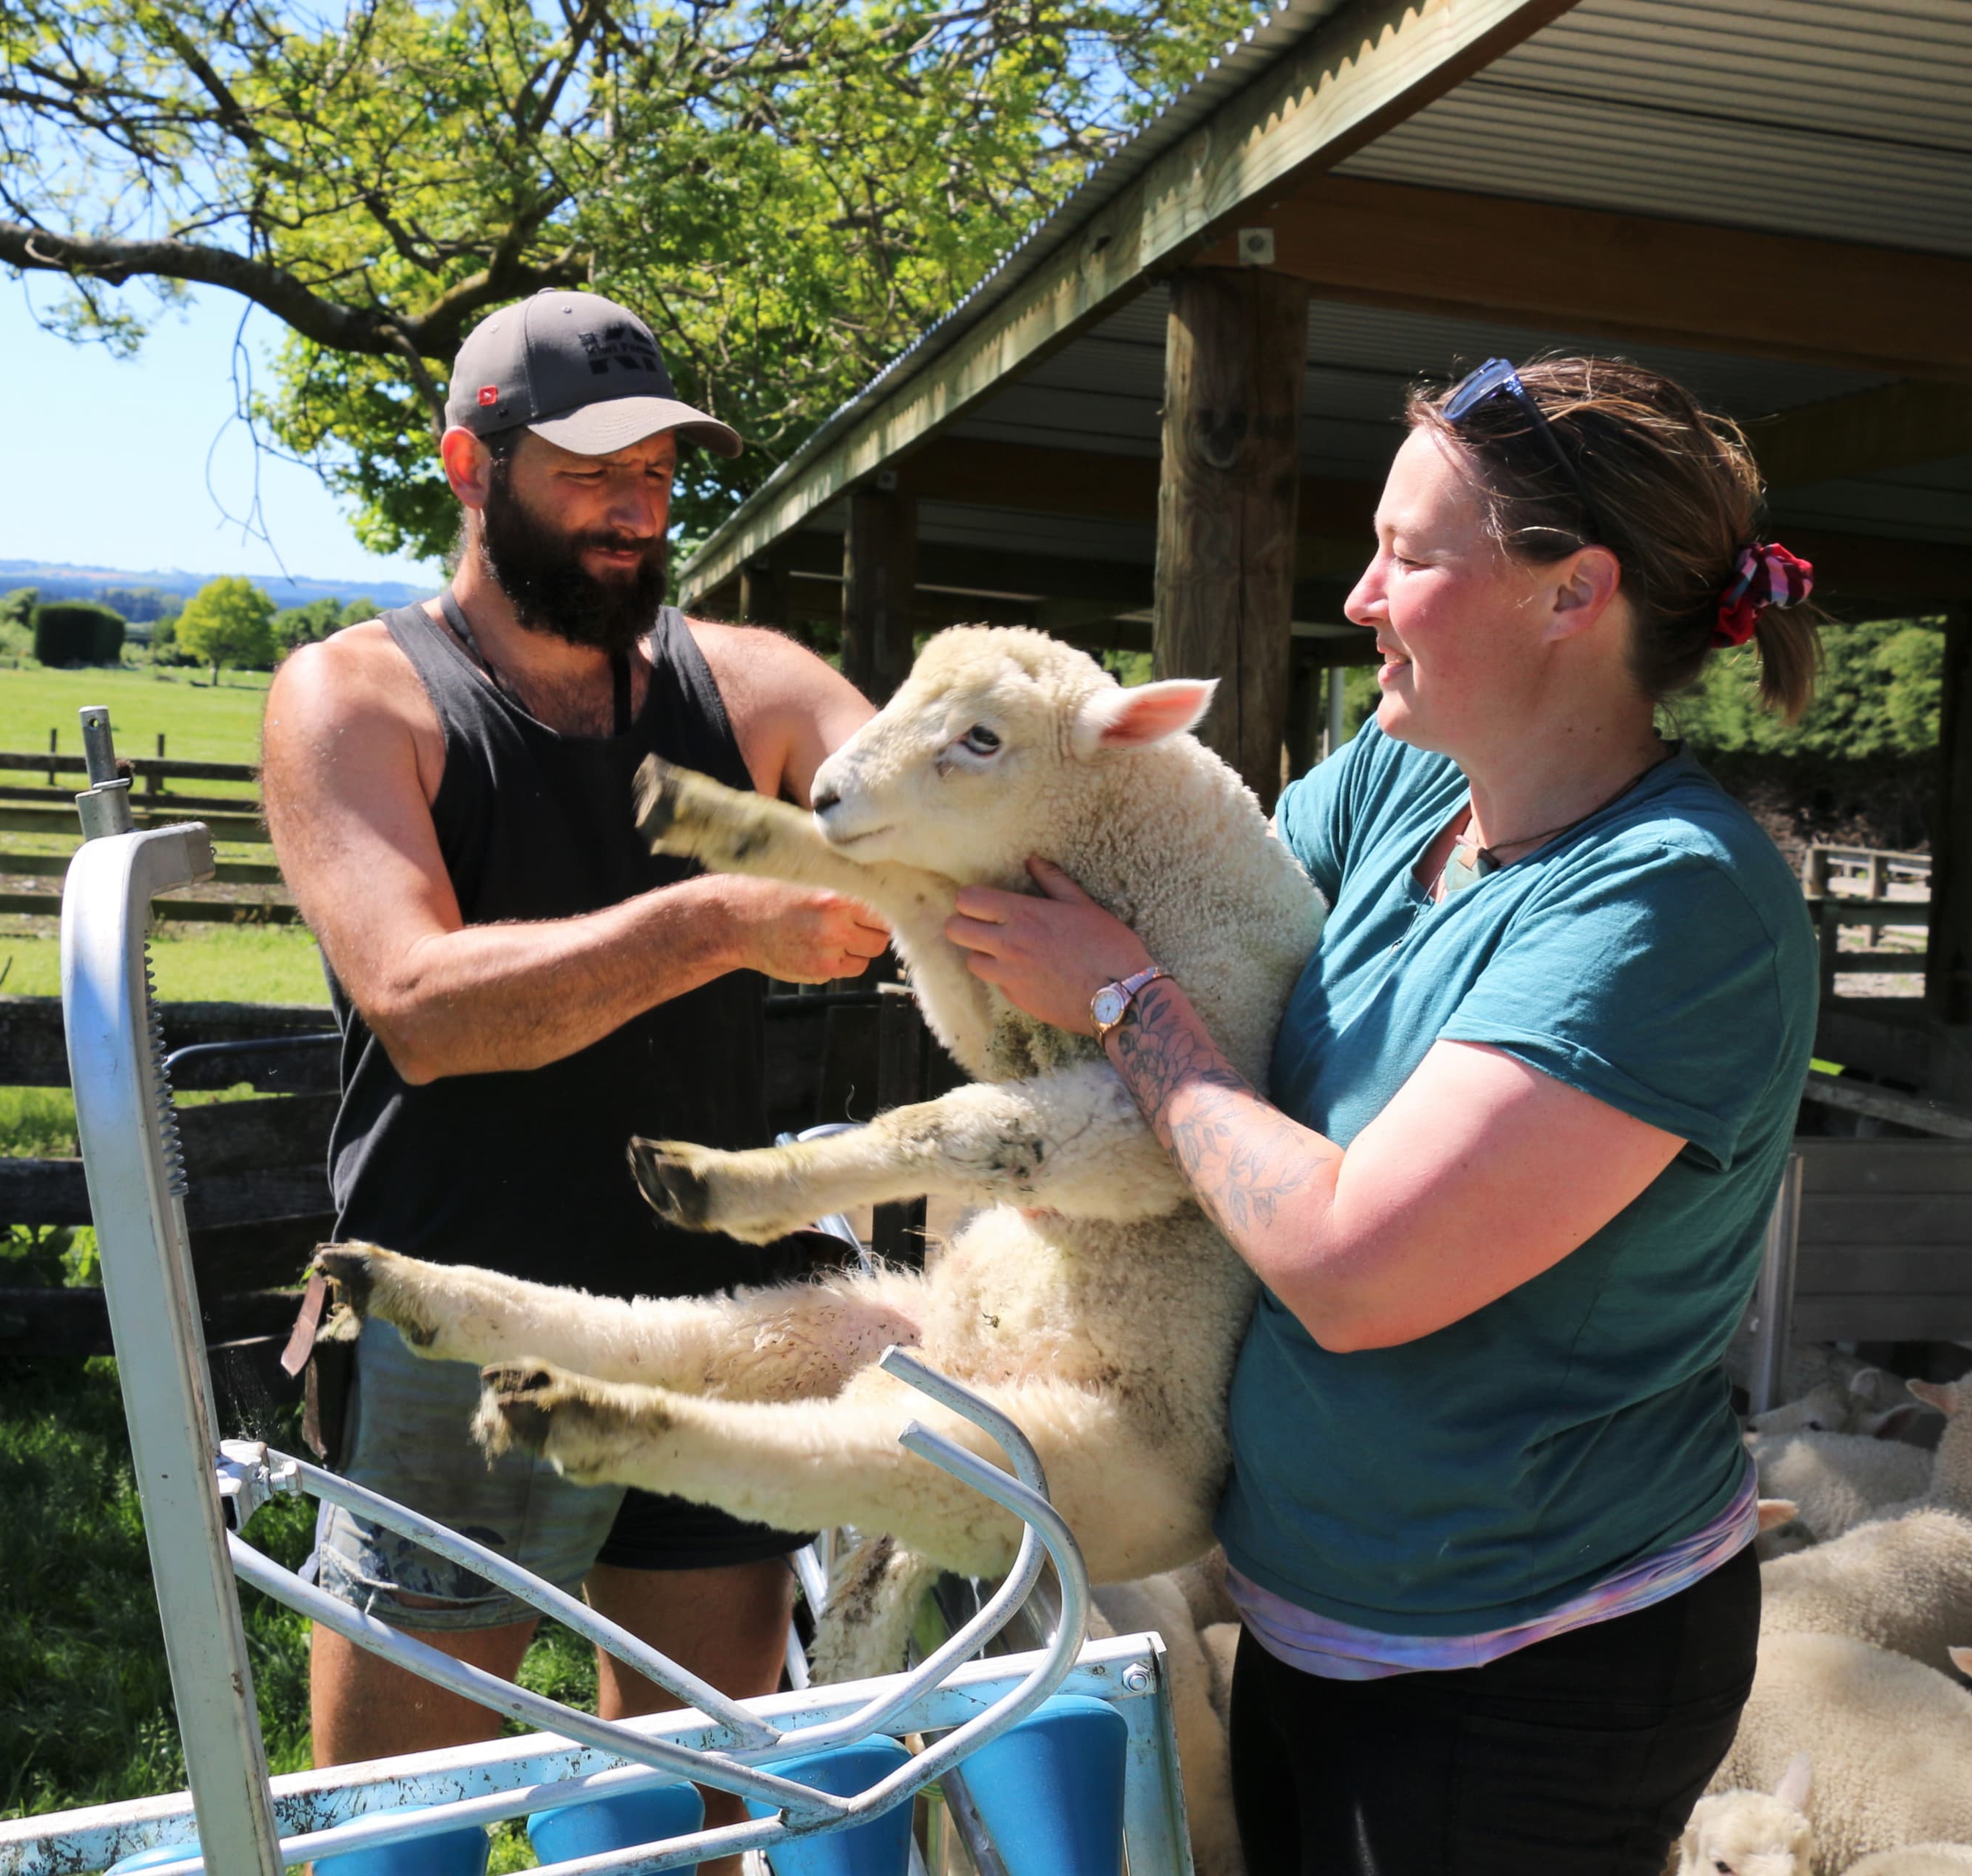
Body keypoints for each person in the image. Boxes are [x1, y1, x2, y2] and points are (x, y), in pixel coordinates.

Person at [946, 354, 1823, 1875]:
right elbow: (1196, 942)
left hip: (1522, 1667)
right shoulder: (1408, 788)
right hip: (1323, 1618)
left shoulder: (1668, 905)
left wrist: (1120, 1001)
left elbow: (1356, 1267)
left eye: (1409, 558)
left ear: (1572, 594)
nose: (1359, 598)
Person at [260, 290, 888, 1858]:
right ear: (468, 465)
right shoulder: (357, 699)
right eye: (590, 472)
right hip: (459, 1325)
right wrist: (719, 918)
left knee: (699, 1815)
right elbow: (422, 1006)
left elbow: (948, 791)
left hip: (710, 1324)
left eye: (658, 473)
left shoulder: (752, 687)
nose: (635, 509)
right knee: (401, 1831)